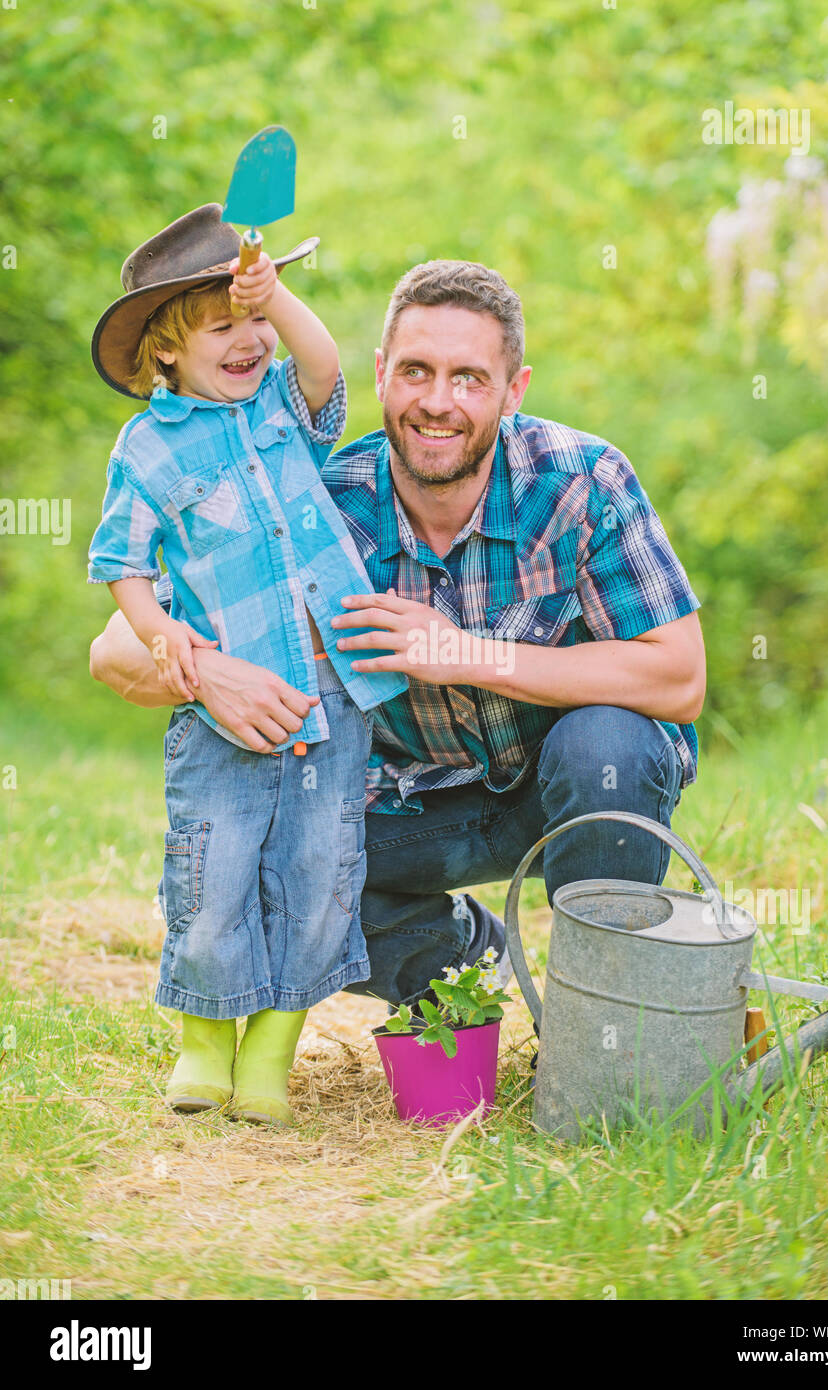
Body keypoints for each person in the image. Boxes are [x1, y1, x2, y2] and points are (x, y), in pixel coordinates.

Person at [90, 258, 705, 1018]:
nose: (438, 402)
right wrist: (211, 673)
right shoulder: (324, 500)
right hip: (416, 809)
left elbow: (679, 679)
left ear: (514, 391)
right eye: (416, 372)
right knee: (271, 860)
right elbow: (113, 650)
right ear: (381, 375)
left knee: (608, 743)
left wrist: (462, 654)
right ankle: (455, 965)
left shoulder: (582, 481)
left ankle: (603, 1029)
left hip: (571, 785)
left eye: (470, 379)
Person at [87, 203, 407, 1125]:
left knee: (320, 870)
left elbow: (325, 368)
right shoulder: (148, 448)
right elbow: (124, 566)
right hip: (222, 703)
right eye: (221, 326)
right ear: (165, 353)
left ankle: (272, 1048)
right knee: (212, 866)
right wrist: (160, 637)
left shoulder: (280, 408)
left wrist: (279, 294)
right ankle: (204, 1041)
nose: (248, 340)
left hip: (334, 686)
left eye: (252, 320)